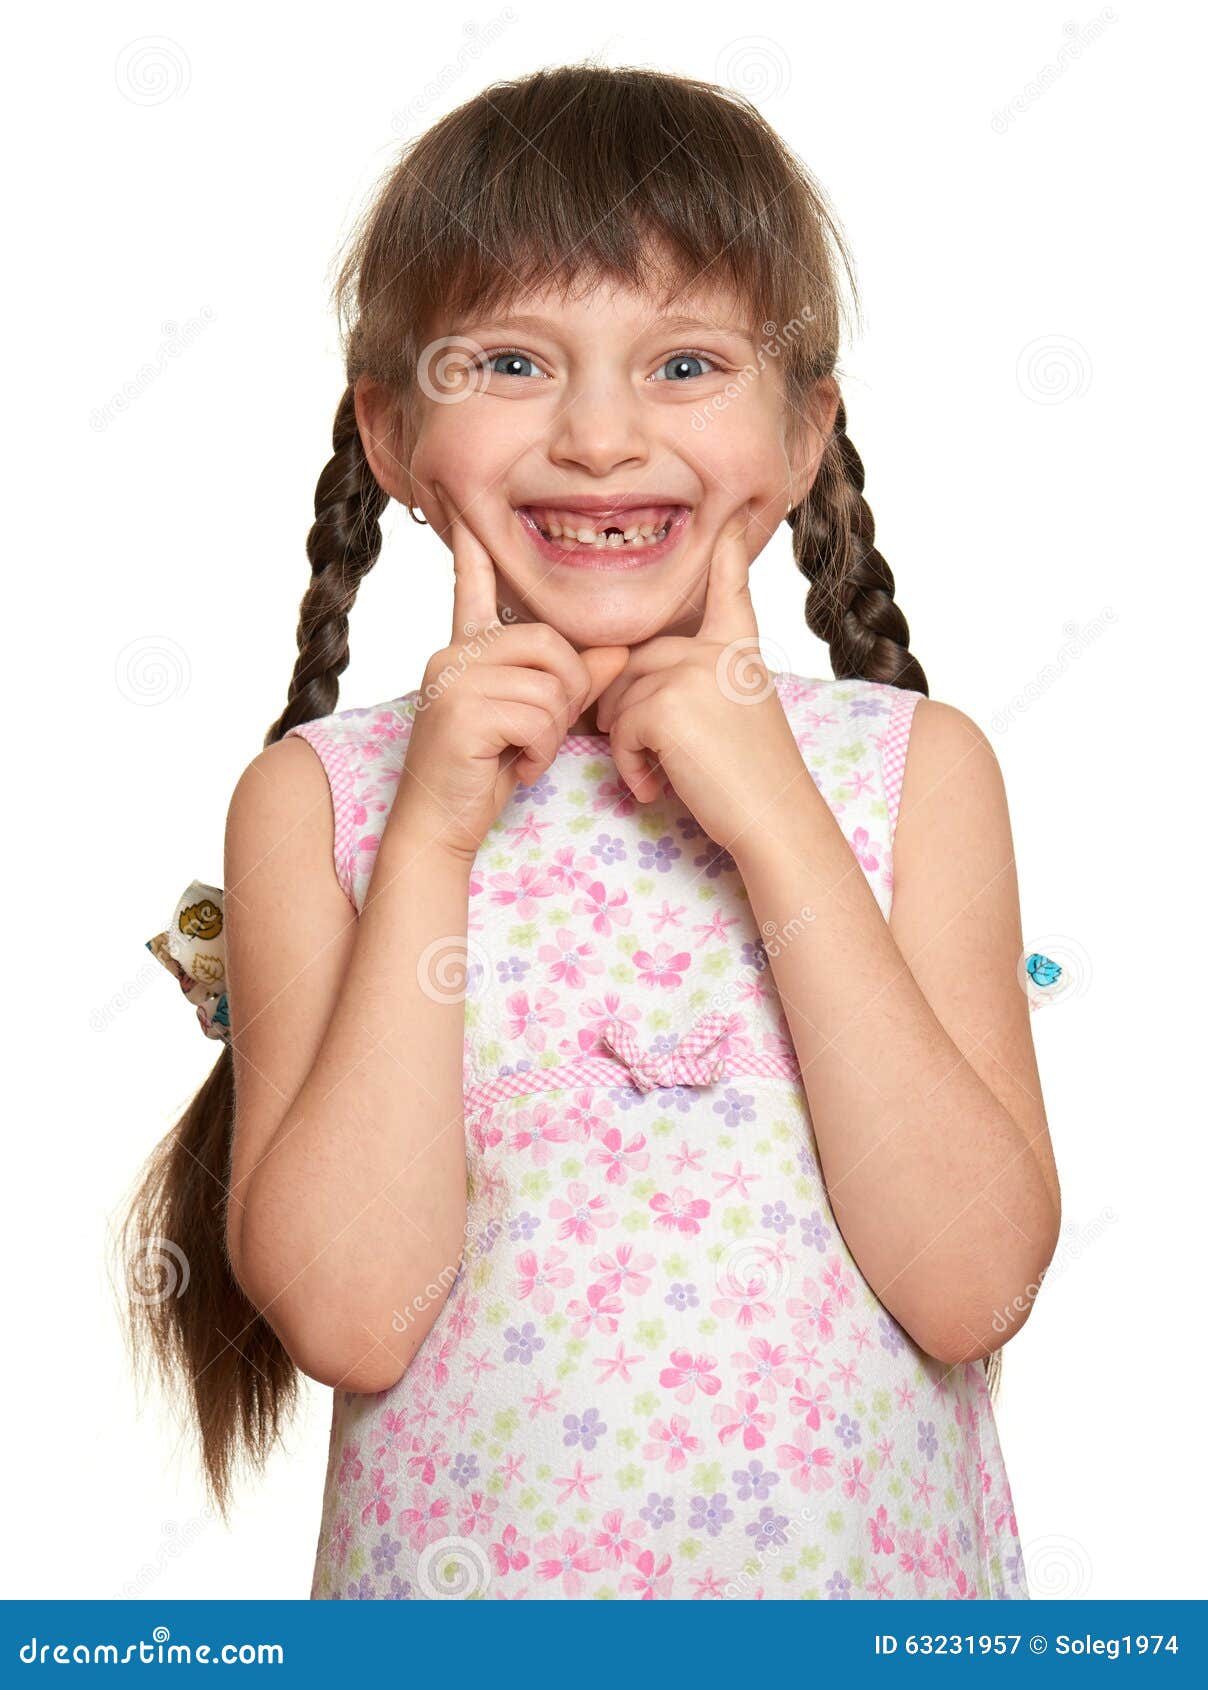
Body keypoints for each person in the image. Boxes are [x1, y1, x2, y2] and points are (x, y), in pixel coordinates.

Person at [123, 61, 1061, 1600]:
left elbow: (972, 1287)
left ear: (804, 430)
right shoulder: (322, 802)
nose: (603, 435)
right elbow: (350, 1312)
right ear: (389, 431)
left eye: (686, 362)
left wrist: (778, 817)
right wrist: (429, 845)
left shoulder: (915, 773)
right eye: (510, 361)